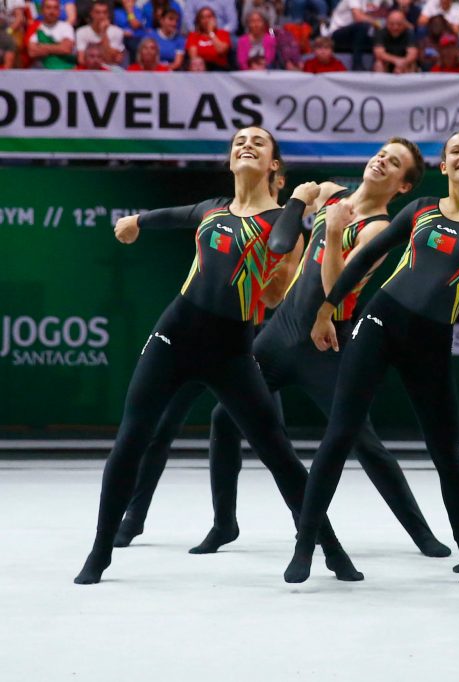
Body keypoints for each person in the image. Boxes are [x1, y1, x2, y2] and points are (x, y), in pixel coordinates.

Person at [74, 128, 360, 585]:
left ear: (274, 166)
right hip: (175, 335)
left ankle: (332, 549)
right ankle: (100, 550)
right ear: (230, 161)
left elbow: (279, 244)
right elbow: (175, 215)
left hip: (231, 351)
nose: (246, 145)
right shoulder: (213, 209)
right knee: (131, 438)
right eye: (239, 142)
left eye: (258, 143)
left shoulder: (283, 220)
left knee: (277, 451)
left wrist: (298, 203)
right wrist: (137, 221)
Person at [283, 131, 459, 587]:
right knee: (340, 433)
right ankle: (305, 546)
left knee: (447, 453)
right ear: (444, 166)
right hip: (380, 321)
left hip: (431, 341)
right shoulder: (421, 208)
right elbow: (366, 256)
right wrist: (327, 309)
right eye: (456, 151)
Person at [27, 0, 76, 70]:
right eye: (48, 8)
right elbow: (32, 52)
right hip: (41, 69)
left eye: (55, 8)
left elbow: (66, 49)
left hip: (65, 69)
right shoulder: (35, 27)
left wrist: (42, 46)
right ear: (42, 10)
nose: (52, 11)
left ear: (59, 11)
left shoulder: (66, 27)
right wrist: (58, 47)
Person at [75, 1, 124, 68]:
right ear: (91, 13)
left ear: (108, 14)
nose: (101, 16)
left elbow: (110, 59)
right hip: (89, 69)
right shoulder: (81, 32)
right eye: (97, 12)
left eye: (104, 12)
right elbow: (81, 60)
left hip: (110, 70)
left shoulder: (117, 31)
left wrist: (104, 33)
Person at [186, 6, 231, 71]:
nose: (206, 20)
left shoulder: (223, 33)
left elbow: (221, 51)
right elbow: (193, 57)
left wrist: (210, 32)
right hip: (200, 69)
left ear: (214, 19)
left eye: (209, 17)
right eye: (203, 18)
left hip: (219, 68)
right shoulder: (193, 36)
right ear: (199, 21)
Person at [373, 9, 418, 73]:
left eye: (399, 24)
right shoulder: (381, 32)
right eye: (392, 24)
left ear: (404, 24)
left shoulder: (409, 33)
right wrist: (396, 60)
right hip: (387, 62)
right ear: (387, 23)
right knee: (378, 64)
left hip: (404, 63)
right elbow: (379, 53)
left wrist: (403, 62)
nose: (395, 27)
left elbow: (413, 54)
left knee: (411, 65)